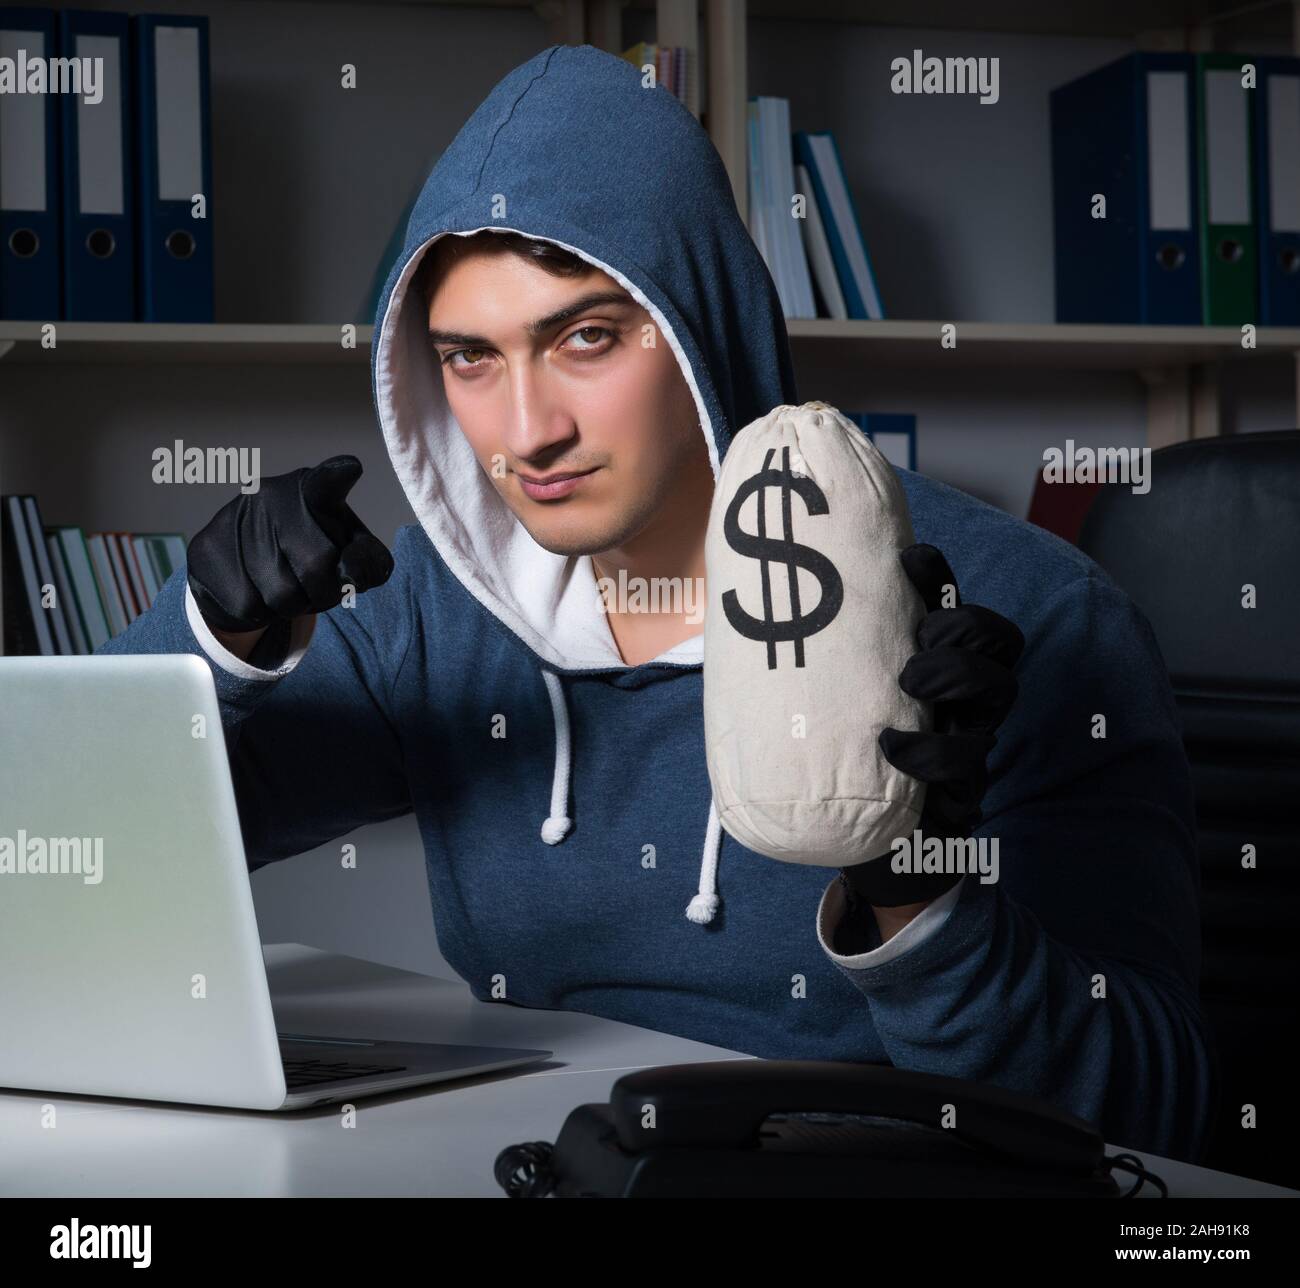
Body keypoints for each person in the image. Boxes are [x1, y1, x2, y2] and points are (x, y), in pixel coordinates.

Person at [102, 44, 1215, 1162]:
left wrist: (915, 895)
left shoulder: (1027, 614)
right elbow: (92, 849)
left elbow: (1149, 1124)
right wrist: (211, 640)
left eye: (584, 337)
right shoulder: (443, 607)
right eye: (469, 357)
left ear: (702, 328)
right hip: (546, 1160)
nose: (528, 429)